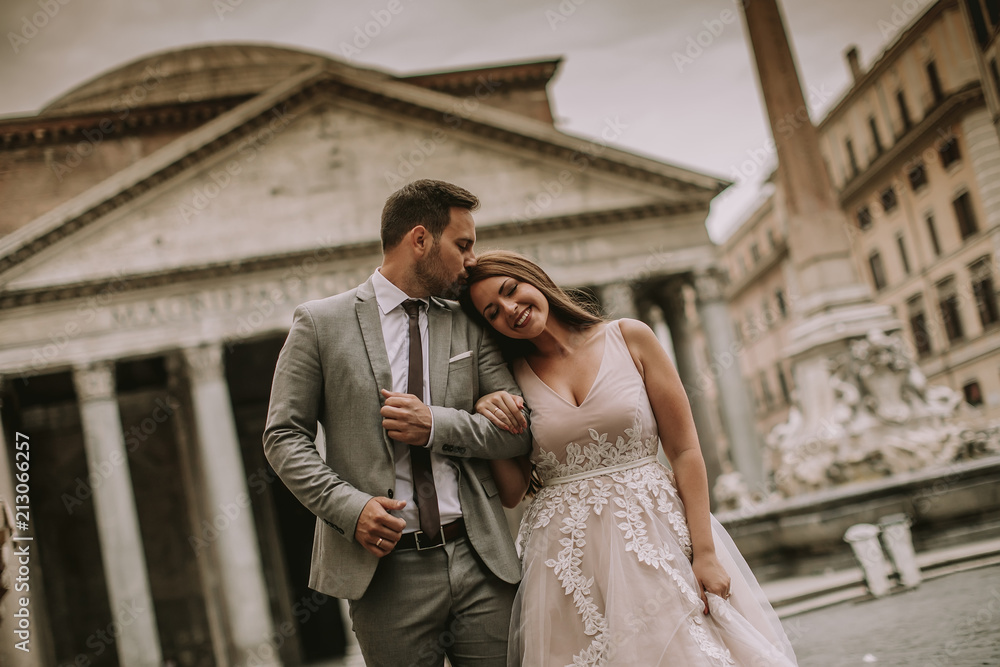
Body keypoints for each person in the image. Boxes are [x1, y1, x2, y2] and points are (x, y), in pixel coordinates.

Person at [462, 250, 798, 666]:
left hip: (655, 536)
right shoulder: (508, 378)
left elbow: (685, 449)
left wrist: (706, 552)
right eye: (492, 312)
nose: (510, 310)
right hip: (566, 561)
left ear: (535, 279)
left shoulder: (629, 337)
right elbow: (512, 493)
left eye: (512, 291)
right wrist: (483, 419)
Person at [263, 181, 531, 667]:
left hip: (482, 559)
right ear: (420, 239)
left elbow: (519, 429)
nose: (472, 260)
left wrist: (436, 425)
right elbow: (283, 436)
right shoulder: (320, 324)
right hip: (385, 574)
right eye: (463, 244)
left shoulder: (470, 322)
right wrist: (351, 508)